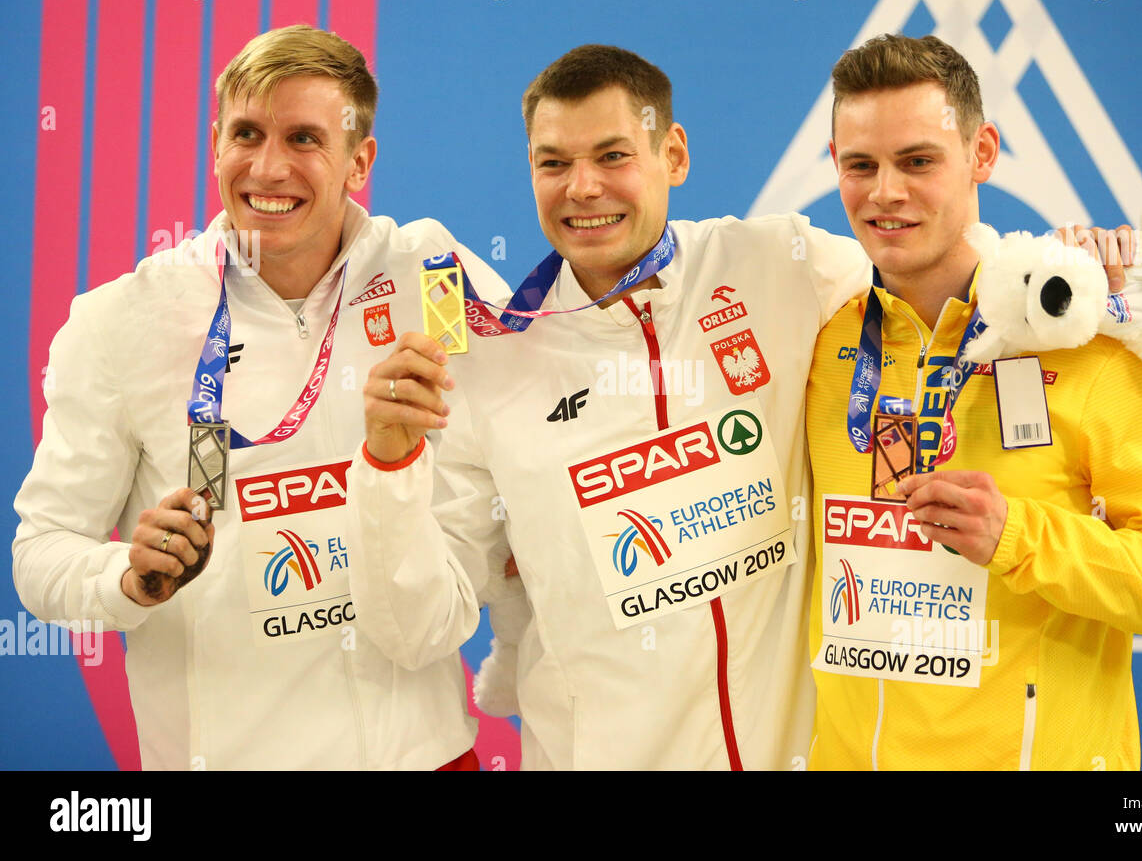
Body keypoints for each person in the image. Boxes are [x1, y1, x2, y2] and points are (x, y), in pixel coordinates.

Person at [347, 44, 877, 770]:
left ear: (674, 154)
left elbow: (937, 290)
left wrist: (1072, 282)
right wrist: (389, 463)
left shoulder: (779, 265)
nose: (582, 188)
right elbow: (417, 628)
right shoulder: (494, 358)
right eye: (553, 164)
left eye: (612, 155)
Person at [12, 25, 509, 770]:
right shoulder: (122, 321)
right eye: (246, 133)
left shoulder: (429, 275)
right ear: (216, 143)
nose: (269, 168)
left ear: (359, 161)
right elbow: (41, 553)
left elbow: (545, 424)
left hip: (424, 757)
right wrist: (126, 576)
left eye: (305, 138)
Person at [804, 34, 1142, 770]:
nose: (885, 192)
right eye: (861, 165)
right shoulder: (819, 341)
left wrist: (1021, 537)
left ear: (982, 154)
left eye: (918, 161)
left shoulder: (1087, 335)